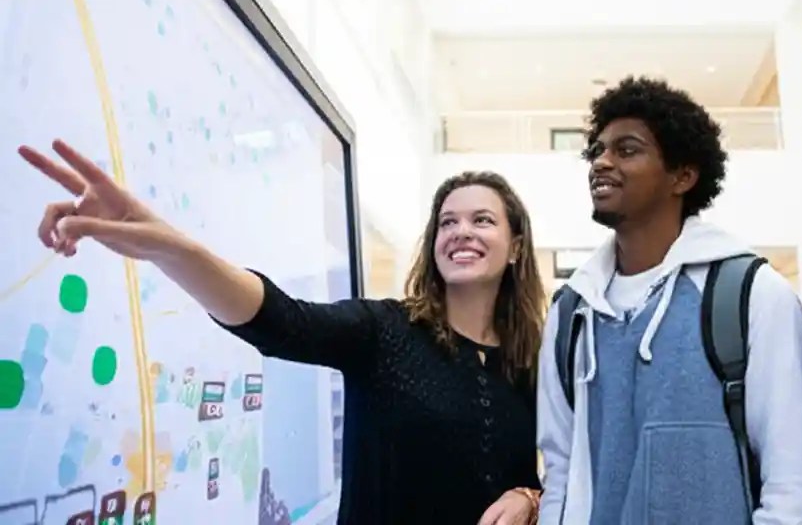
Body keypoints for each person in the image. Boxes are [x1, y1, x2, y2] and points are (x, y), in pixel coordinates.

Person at [19, 140, 545, 525]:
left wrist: (530, 496)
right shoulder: (385, 330)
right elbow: (278, 320)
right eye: (448, 222)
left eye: (482, 220)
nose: (461, 233)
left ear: (516, 245)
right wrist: (166, 245)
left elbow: (552, 472)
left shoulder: (532, 361)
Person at [537, 76, 802, 524]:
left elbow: (790, 488)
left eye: (626, 150)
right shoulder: (571, 313)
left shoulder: (752, 296)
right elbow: (561, 473)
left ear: (683, 176)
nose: (601, 163)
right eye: (597, 151)